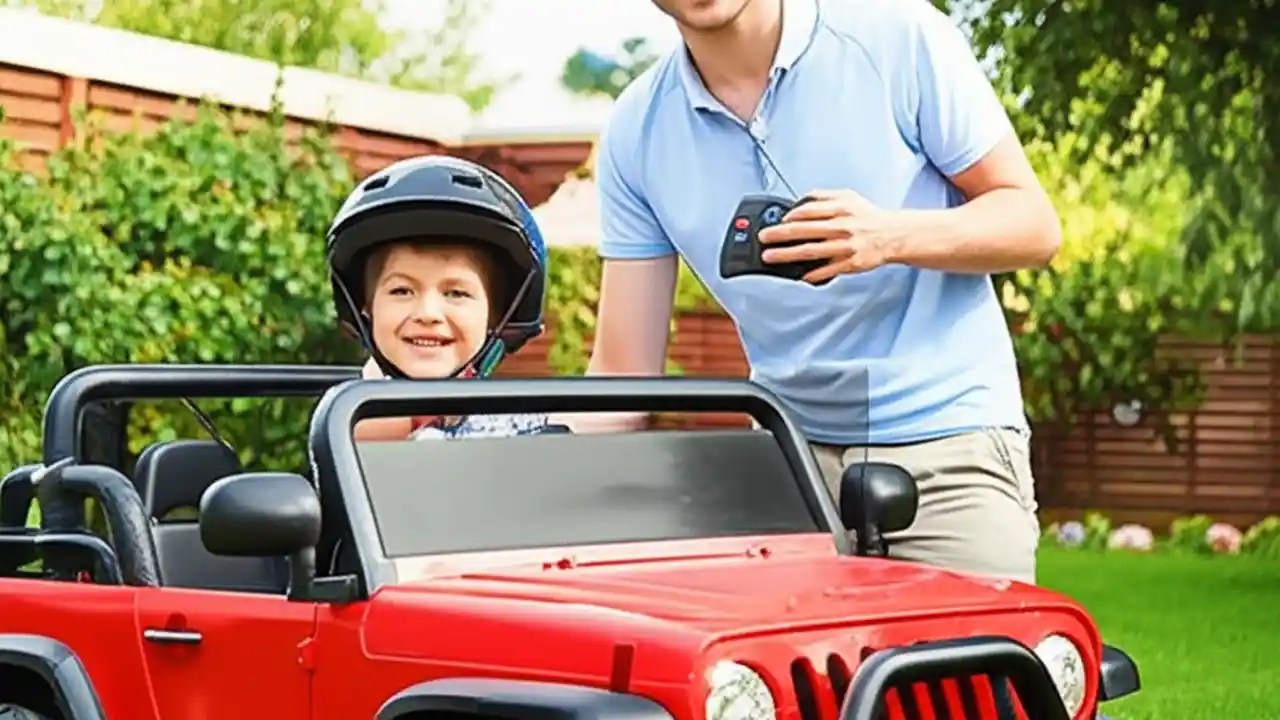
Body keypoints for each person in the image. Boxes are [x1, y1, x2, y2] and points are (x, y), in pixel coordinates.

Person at [575, 0, 1062, 585]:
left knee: (975, 674)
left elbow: (1033, 223)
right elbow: (625, 381)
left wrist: (887, 235)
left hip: (949, 442)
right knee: (779, 677)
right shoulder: (637, 129)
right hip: (788, 465)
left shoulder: (898, 37)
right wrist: (512, 456)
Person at [325, 154, 552, 441]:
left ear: (497, 314)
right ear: (365, 307)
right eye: (402, 291)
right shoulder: (343, 418)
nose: (428, 313)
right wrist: (371, 403)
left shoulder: (525, 429)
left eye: (456, 293)